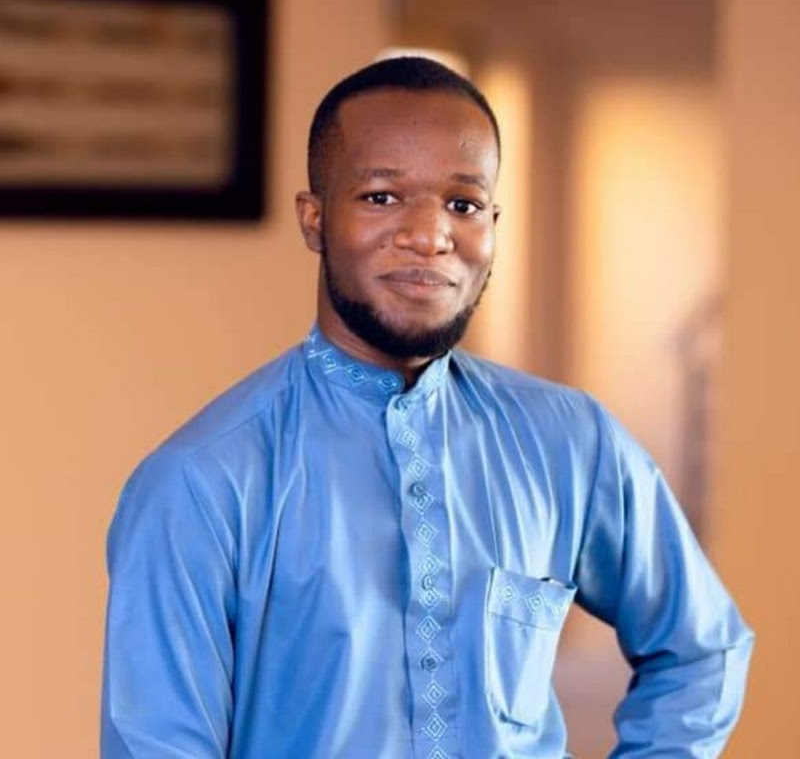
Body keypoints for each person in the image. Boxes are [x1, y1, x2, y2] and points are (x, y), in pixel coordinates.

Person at [101, 57, 753, 758]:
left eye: (463, 204)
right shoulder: (200, 482)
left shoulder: (570, 441)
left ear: (494, 223)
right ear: (315, 219)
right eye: (382, 196)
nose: (429, 234)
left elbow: (702, 649)